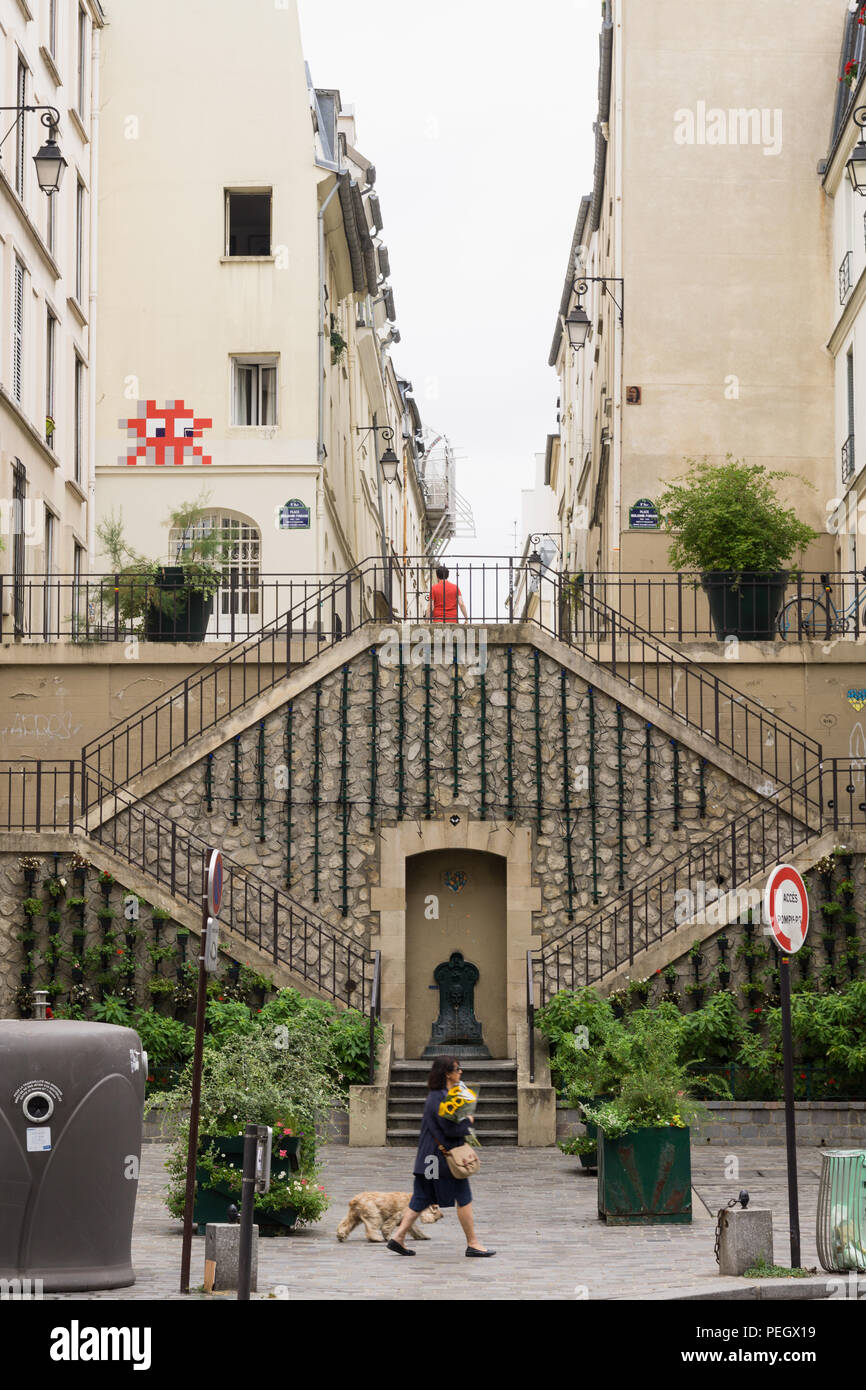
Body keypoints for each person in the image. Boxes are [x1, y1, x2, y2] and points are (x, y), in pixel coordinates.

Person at [386, 1057, 495, 1257]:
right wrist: (467, 1121)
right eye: (457, 1069)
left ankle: (398, 1237)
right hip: (440, 1158)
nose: (460, 1072)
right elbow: (449, 1128)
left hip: (429, 1158)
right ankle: (473, 1243)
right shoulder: (442, 1097)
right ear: (447, 1073)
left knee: (421, 1197)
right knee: (463, 1196)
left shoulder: (438, 1095)